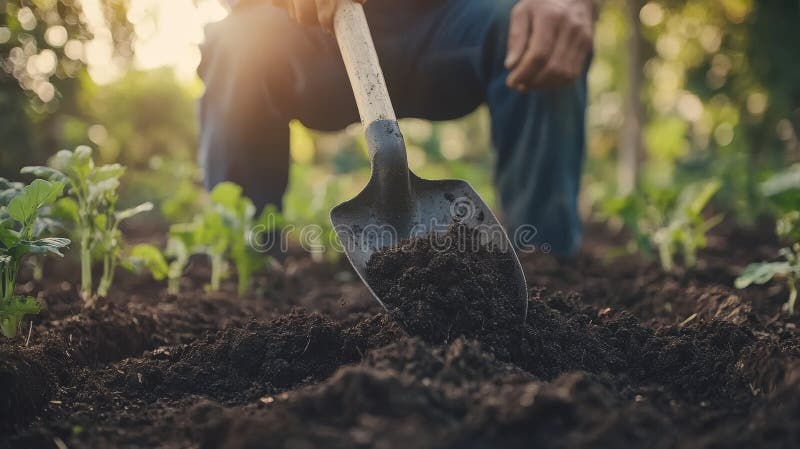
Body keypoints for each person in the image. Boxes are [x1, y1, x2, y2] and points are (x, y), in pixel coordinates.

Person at [198, 0, 596, 255]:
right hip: (315, 32)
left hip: (454, 21)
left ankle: (544, 259)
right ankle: (247, 258)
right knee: (240, 39)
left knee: (540, 30)